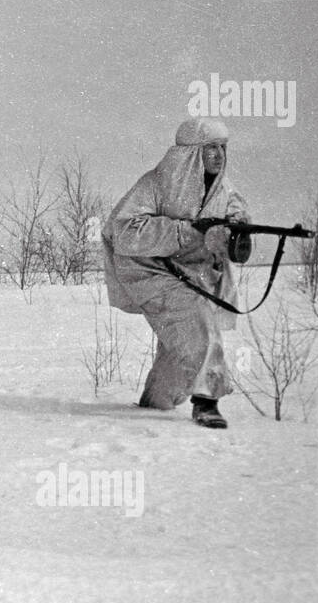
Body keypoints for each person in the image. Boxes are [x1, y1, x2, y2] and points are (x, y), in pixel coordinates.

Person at [101, 118, 249, 429]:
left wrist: (235, 235)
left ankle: (157, 403)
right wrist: (188, 233)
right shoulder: (154, 184)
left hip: (190, 273)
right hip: (147, 270)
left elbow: (238, 221)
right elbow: (125, 232)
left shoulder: (224, 190)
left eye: (222, 148)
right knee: (197, 323)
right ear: (191, 153)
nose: (219, 155)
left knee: (179, 341)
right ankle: (207, 402)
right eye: (210, 148)